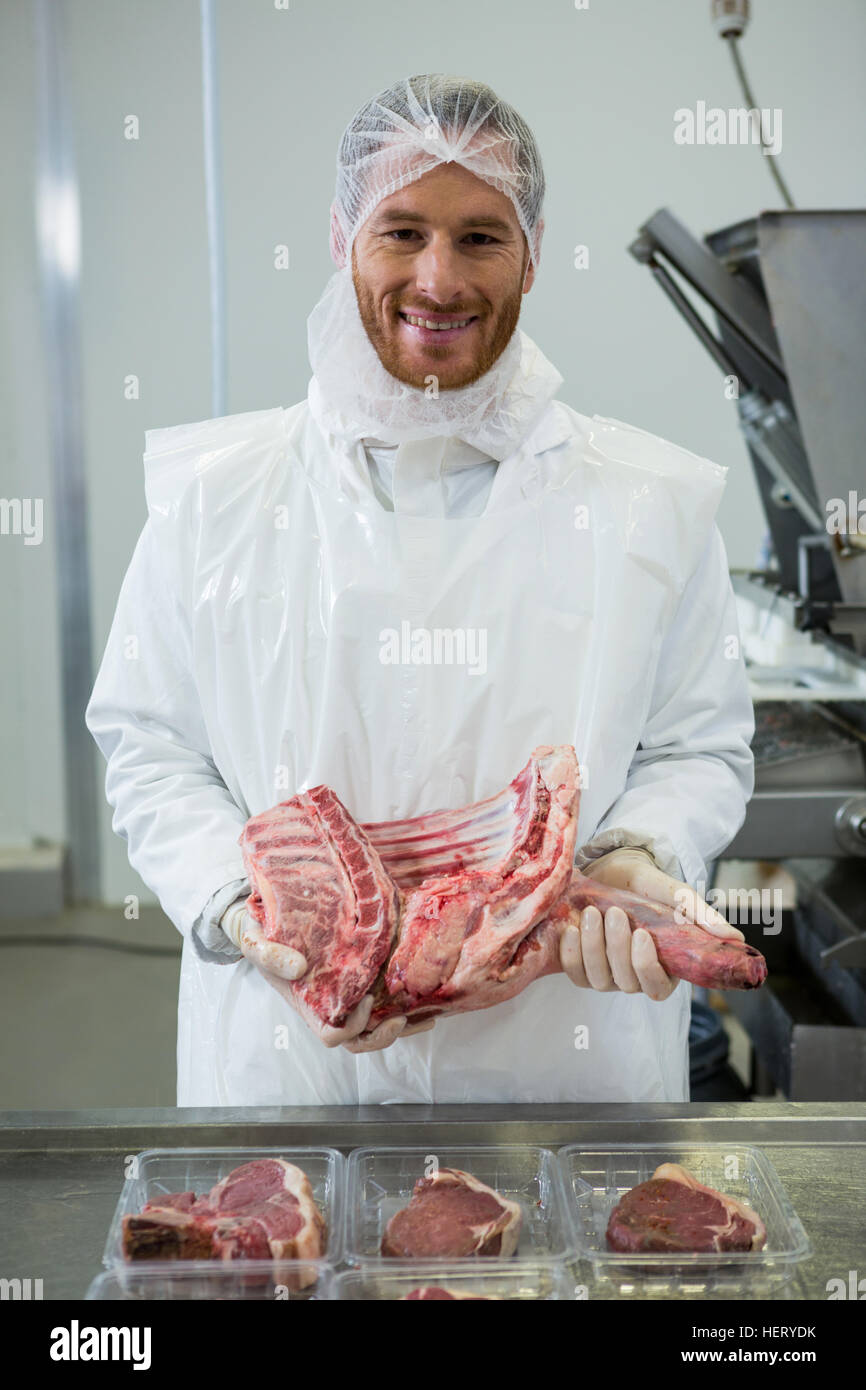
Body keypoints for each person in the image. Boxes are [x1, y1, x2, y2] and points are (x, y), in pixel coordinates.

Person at [86, 75, 754, 1106]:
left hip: (561, 1063)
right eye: (400, 231)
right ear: (342, 237)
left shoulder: (647, 502)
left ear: (532, 253)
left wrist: (632, 856)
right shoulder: (214, 502)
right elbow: (149, 743)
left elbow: (693, 746)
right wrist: (231, 901)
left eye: (479, 238)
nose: (437, 279)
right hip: (288, 1062)